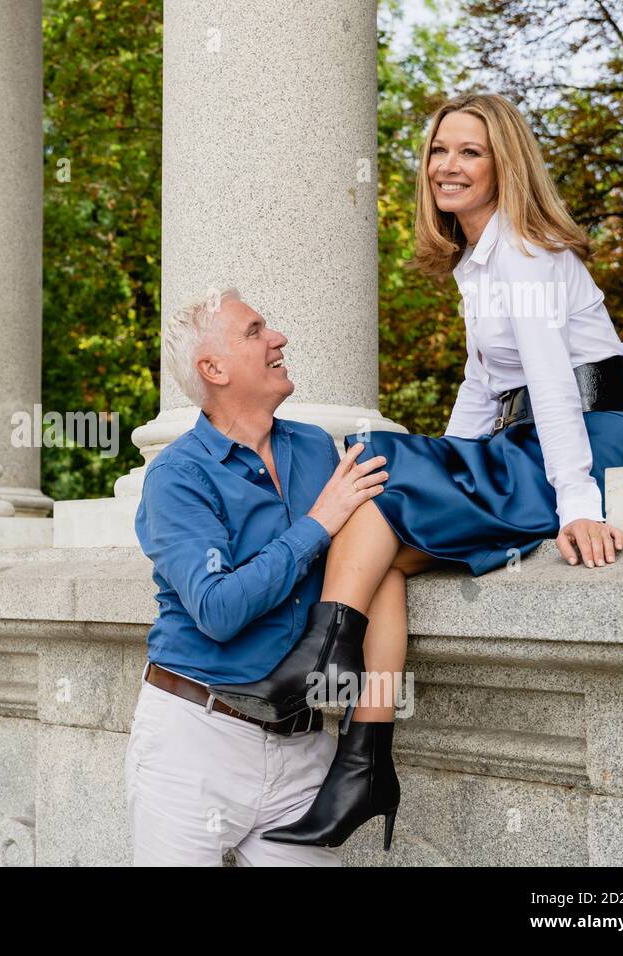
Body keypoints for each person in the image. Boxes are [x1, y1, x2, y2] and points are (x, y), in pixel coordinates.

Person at [208, 92, 623, 852]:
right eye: (440, 151)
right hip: (519, 445)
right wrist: (439, 466)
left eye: (470, 152)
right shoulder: (480, 260)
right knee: (381, 531)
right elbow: (482, 388)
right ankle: (363, 760)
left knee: (376, 470)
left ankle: (323, 662)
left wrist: (579, 504)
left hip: (572, 445)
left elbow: (547, 379)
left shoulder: (530, 253)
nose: (448, 165)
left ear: (505, 163)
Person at [128, 287, 390, 865]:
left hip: (302, 744)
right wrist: (320, 522)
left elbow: (373, 553)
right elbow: (218, 609)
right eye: (254, 331)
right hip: (194, 741)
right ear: (213, 368)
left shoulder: (318, 451)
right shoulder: (178, 476)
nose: (278, 339)